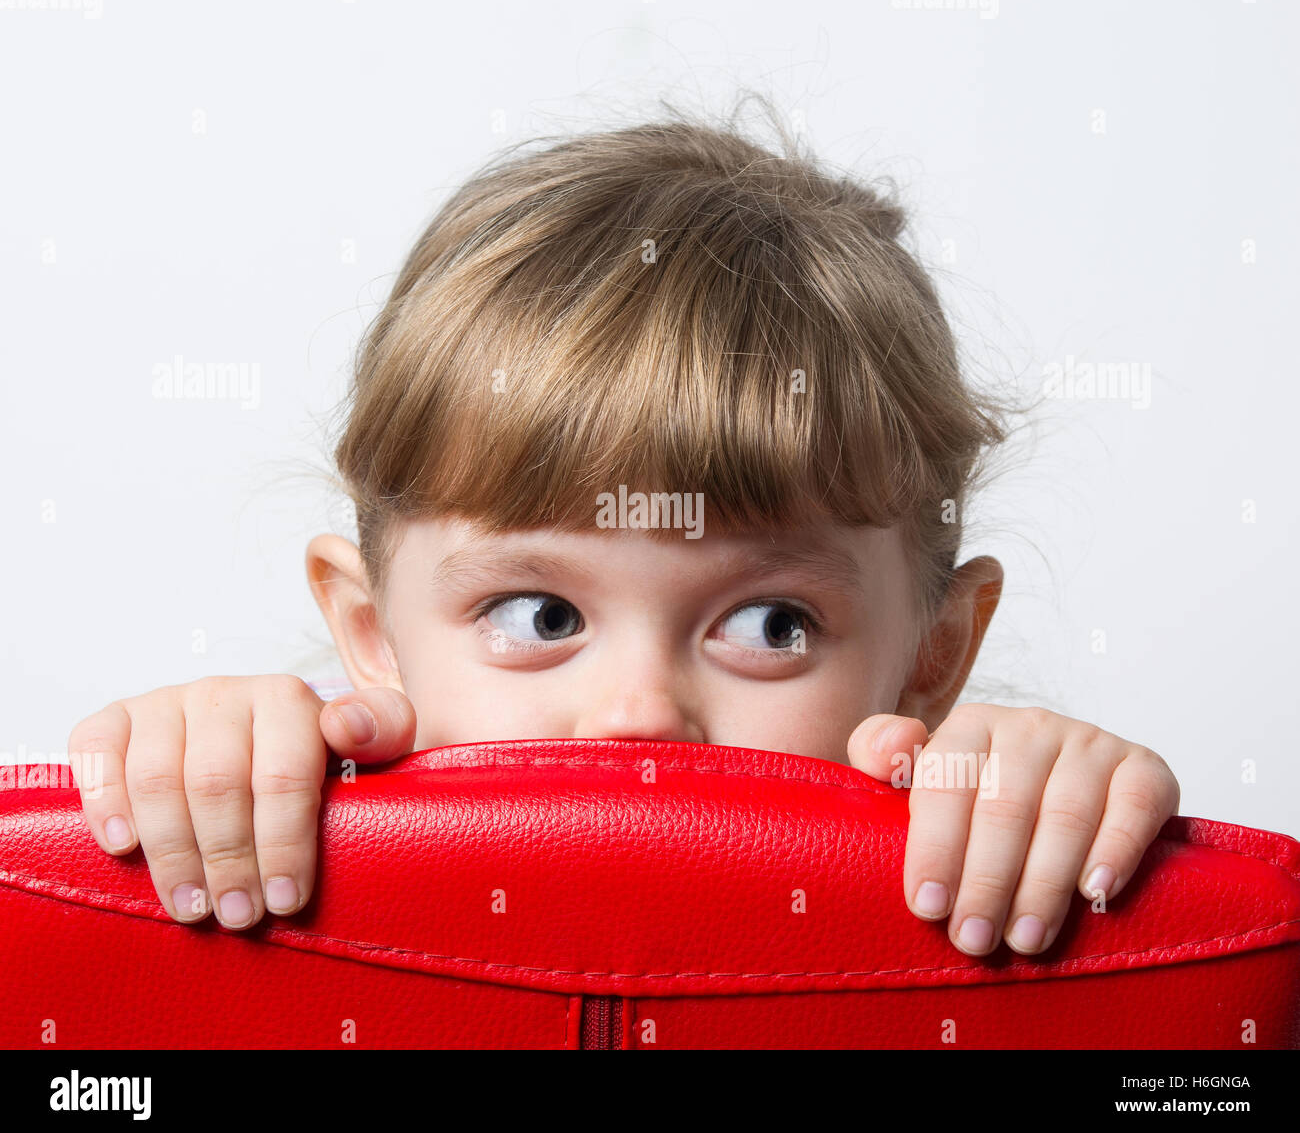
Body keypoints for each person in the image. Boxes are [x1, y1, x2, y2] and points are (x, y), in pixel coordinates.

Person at [66, 99, 1179, 961]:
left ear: (933, 653)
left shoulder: (978, 902)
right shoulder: (301, 882)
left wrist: (1065, 829)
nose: (639, 716)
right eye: (538, 613)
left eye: (772, 623)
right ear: (370, 631)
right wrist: (195, 794)